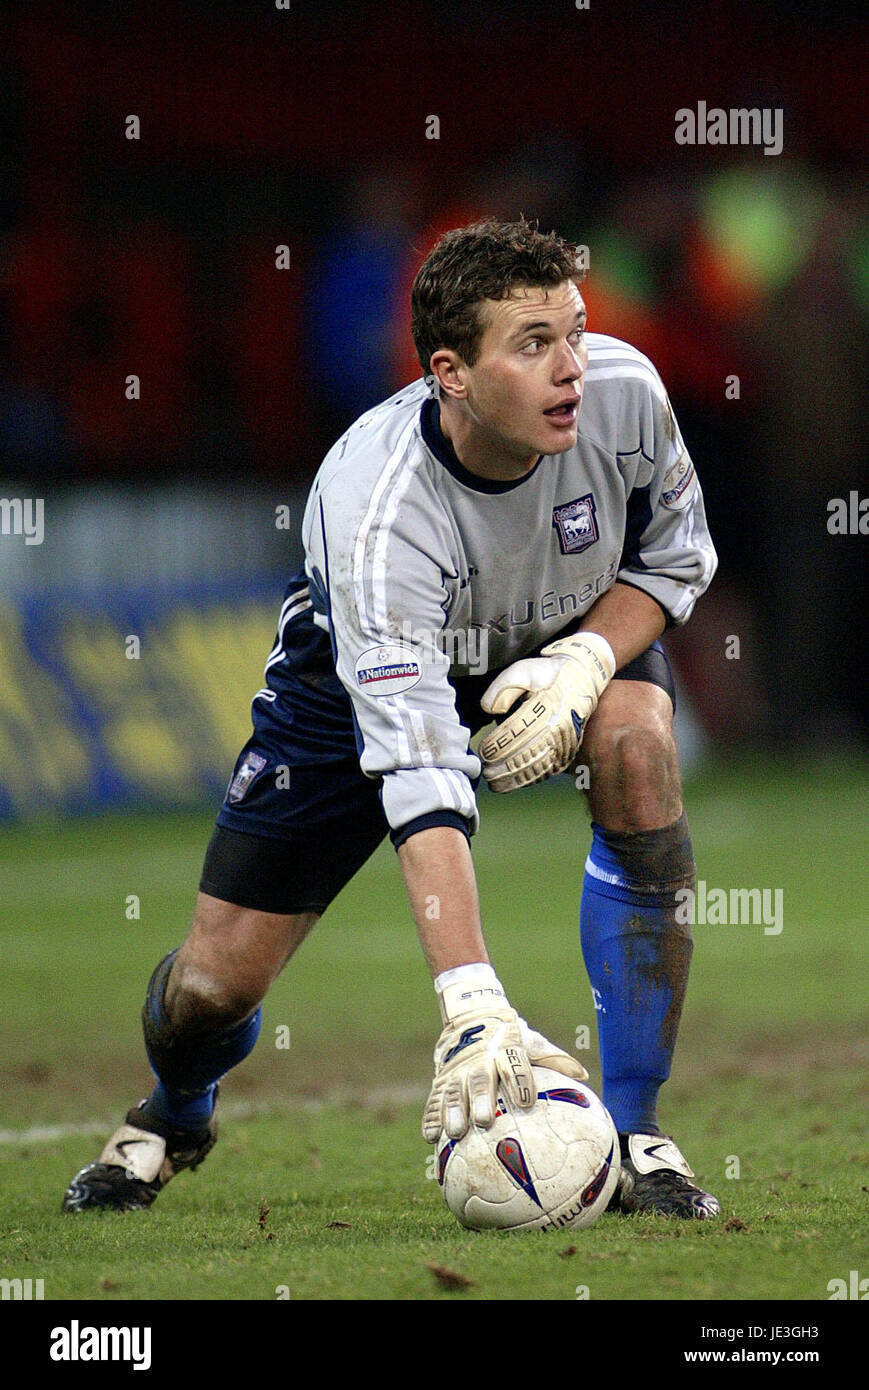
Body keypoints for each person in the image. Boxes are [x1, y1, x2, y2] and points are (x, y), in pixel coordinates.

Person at [62, 217, 719, 1220]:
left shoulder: (624, 393)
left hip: (567, 629)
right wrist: (470, 1003)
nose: (571, 368)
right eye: (532, 344)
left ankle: (634, 1129)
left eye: (574, 331)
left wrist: (585, 664)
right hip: (354, 682)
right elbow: (419, 776)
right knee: (208, 989)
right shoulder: (380, 515)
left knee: (636, 744)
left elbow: (671, 560)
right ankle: (176, 1107)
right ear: (451, 373)